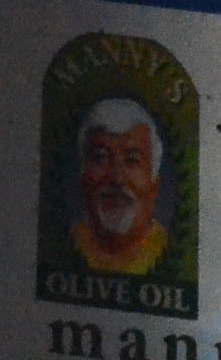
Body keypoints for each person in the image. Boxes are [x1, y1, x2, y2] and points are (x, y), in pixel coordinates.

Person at [72, 98, 168, 277]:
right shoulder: (65, 244)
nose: (117, 178)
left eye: (132, 161)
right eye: (101, 158)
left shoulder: (168, 250)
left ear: (154, 185)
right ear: (84, 177)